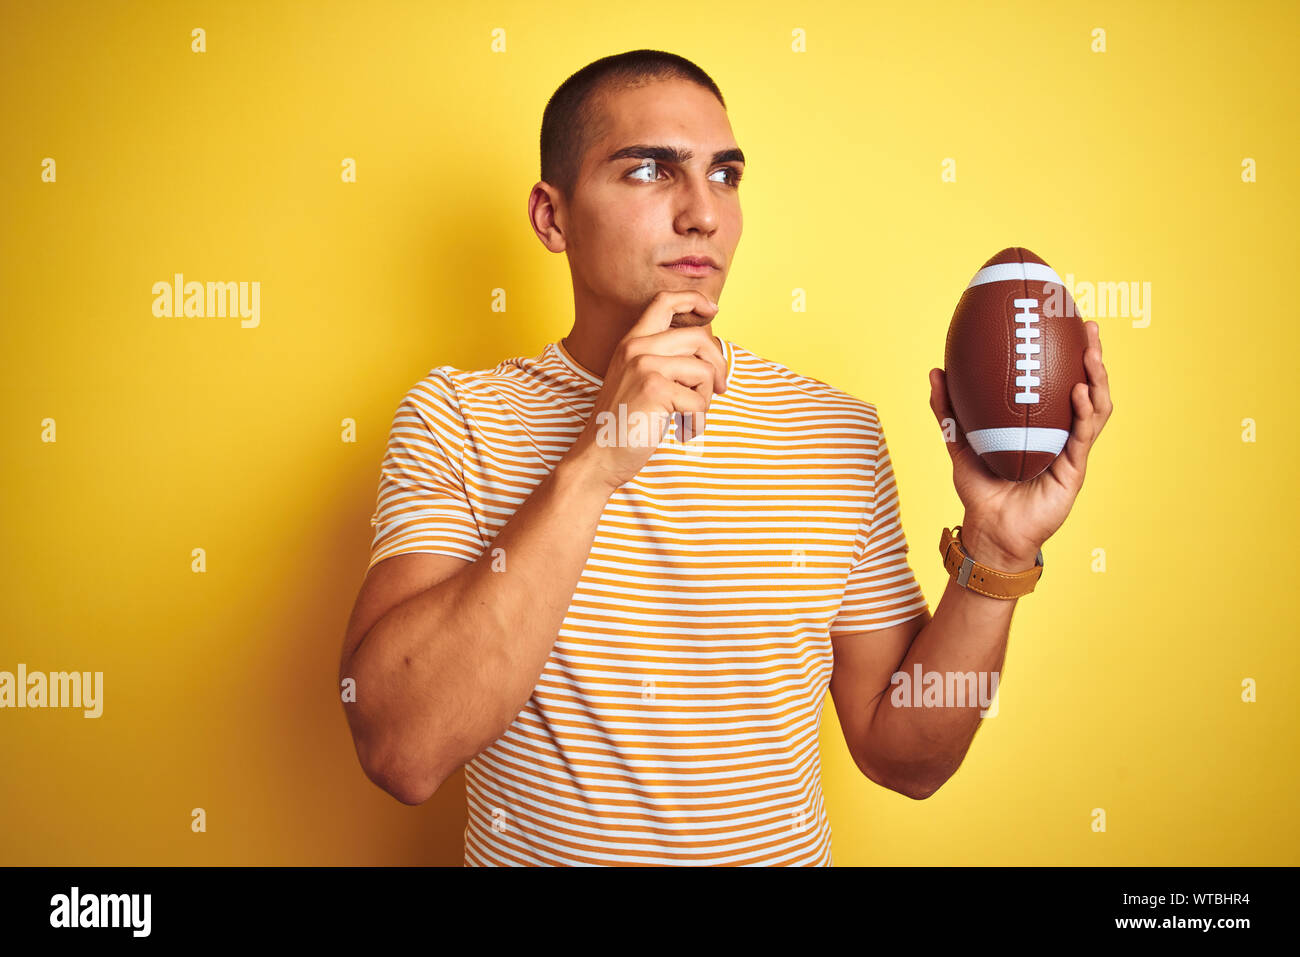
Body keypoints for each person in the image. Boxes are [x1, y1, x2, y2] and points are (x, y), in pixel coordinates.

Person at [338, 49, 1112, 866]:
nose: (703, 212)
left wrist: (997, 554)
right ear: (551, 216)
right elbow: (400, 747)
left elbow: (903, 755)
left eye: (726, 175)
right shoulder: (458, 417)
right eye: (648, 171)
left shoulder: (833, 430)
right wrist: (598, 459)